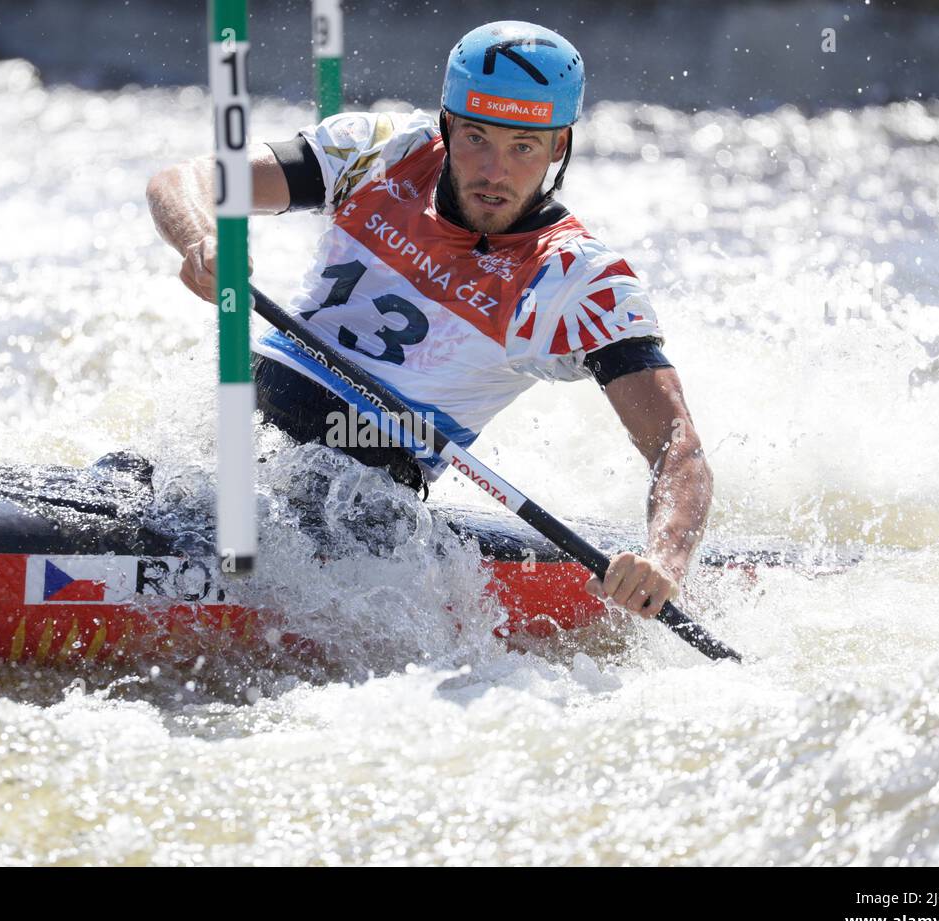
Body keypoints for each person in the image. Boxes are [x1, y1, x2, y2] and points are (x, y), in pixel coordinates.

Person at [146, 20, 712, 621]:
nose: (494, 171)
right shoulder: (381, 152)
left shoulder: (578, 281)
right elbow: (185, 180)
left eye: (523, 146)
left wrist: (664, 561)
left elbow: (676, 446)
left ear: (559, 148)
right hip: (230, 436)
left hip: (351, 505)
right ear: (446, 125)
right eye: (475, 138)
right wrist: (202, 241)